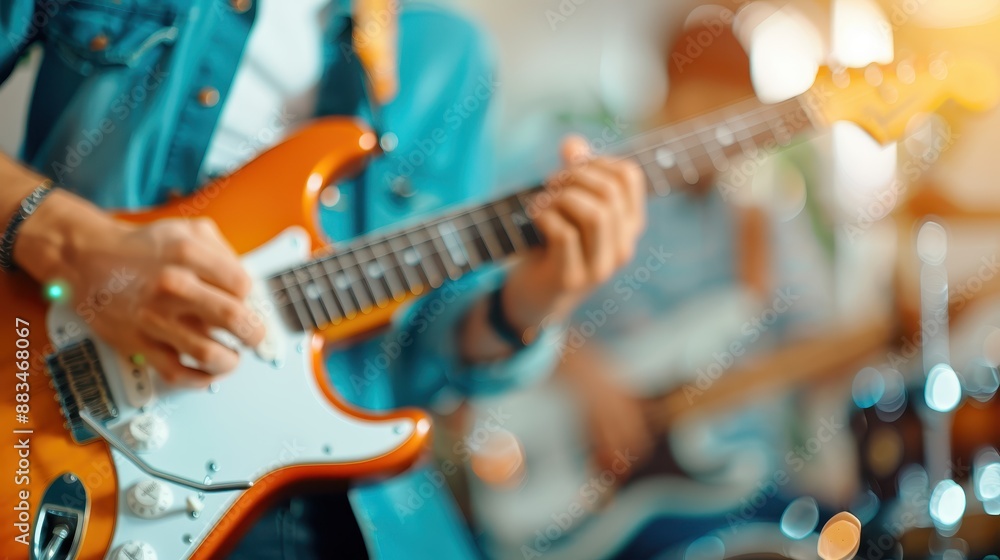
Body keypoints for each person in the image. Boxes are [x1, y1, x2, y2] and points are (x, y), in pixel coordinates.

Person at [0, 0, 646, 558]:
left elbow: (419, 363)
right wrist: (71, 244)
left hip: (334, 503)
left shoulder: (446, 53)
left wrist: (533, 300)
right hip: (45, 410)